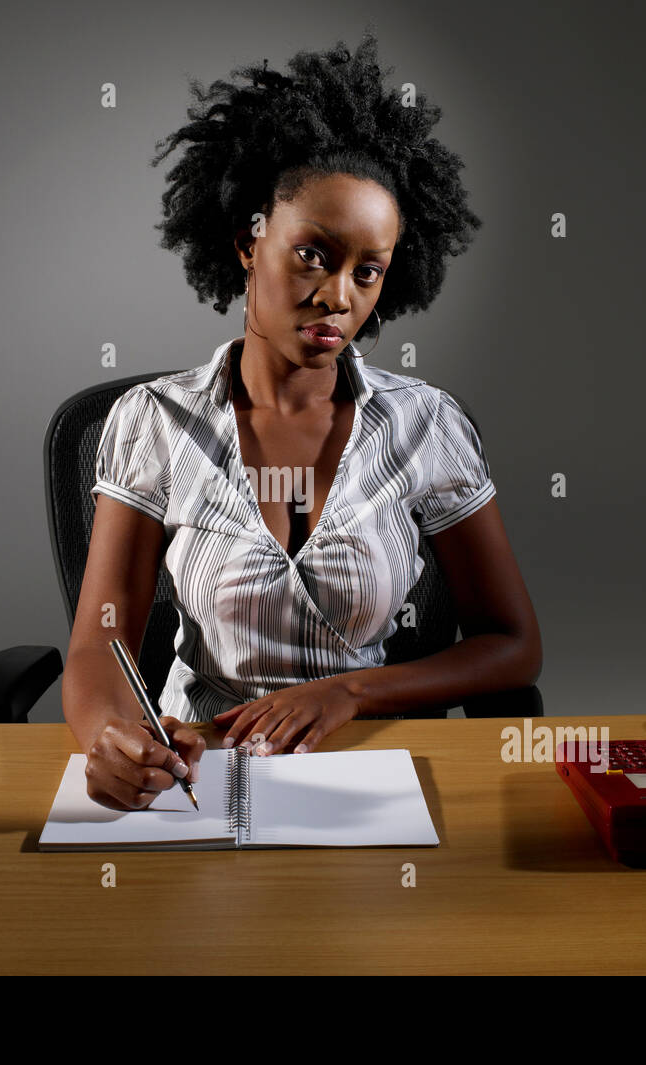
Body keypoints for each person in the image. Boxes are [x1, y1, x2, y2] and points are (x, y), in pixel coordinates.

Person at [62, 30, 541, 811]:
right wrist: (112, 738)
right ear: (250, 243)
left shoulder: (423, 425)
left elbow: (514, 645)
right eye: (314, 254)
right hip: (200, 767)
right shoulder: (154, 422)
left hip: (373, 765)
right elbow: (98, 640)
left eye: (368, 269)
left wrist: (350, 690)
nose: (340, 295)